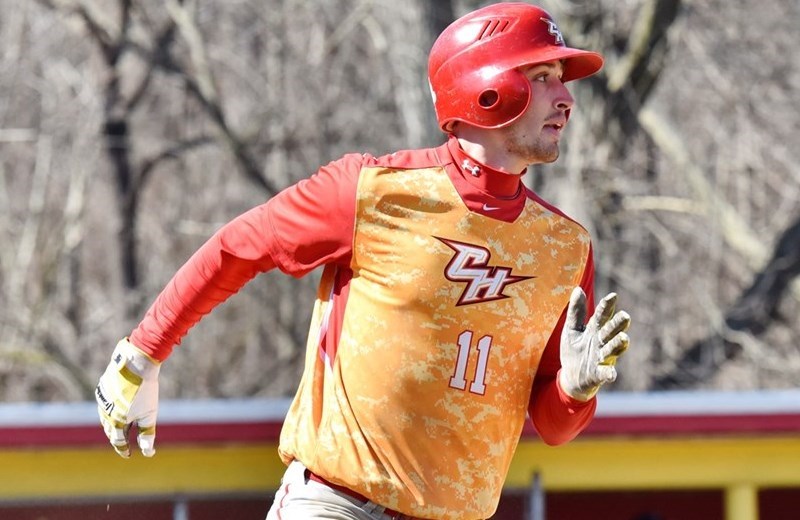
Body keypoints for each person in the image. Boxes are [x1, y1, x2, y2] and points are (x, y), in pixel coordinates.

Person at [95, 3, 631, 519]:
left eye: (561, 78)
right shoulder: (372, 193)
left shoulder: (565, 248)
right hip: (338, 504)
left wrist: (573, 390)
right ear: (486, 86)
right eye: (542, 76)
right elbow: (238, 247)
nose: (566, 98)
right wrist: (142, 353)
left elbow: (553, 425)